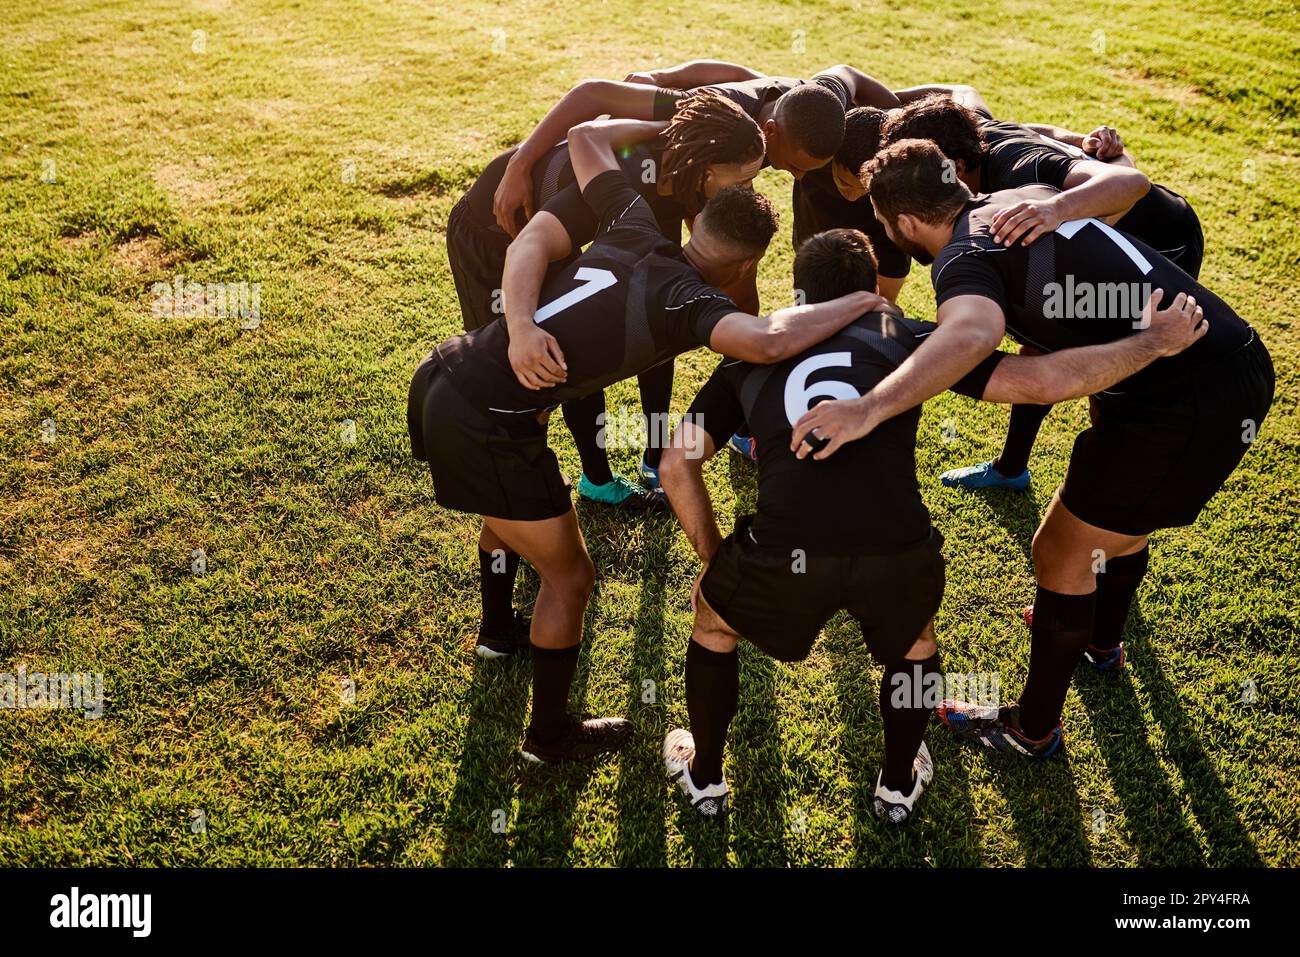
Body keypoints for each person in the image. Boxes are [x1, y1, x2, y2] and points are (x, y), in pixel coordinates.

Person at [657, 227, 1211, 819]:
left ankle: (707, 778)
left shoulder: (755, 350)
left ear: (800, 292)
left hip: (784, 546)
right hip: (895, 544)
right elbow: (1041, 381)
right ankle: (896, 786)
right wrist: (1151, 342)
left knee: (714, 624)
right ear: (873, 288)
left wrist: (715, 557)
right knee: (915, 644)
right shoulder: (914, 338)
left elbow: (674, 463)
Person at [408, 117, 895, 755]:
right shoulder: (690, 302)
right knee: (571, 579)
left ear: (696, 222)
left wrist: (675, 121)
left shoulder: (633, 216)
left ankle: (499, 629)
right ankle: (548, 735)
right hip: (482, 419)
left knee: (511, 507)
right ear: (746, 259)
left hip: (445, 374)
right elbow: (766, 339)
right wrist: (863, 303)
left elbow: (585, 138)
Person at [788, 140, 1273, 755]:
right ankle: (1099, 640)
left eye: (883, 223)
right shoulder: (1022, 199)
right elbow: (1117, 200)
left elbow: (989, 346)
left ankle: (1032, 729)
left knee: (1059, 556)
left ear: (905, 222)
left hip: (1187, 398)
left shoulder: (962, 259)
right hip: (1220, 368)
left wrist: (868, 406)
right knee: (1114, 523)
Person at [445, 92, 766, 658]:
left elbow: (653, 322)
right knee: (523, 389)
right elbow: (585, 123)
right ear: (704, 167)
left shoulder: (673, 194)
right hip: (499, 240)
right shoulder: (630, 170)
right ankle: (563, 500)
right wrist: (520, 324)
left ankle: (509, 590)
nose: (742, 191)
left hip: (547, 256)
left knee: (549, 376)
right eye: (739, 180)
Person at [881, 91, 1207, 490]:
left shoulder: (1019, 178)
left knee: (1107, 366)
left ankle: (1107, 474)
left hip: (1161, 242)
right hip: (1107, 235)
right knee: (1041, 332)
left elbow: (1130, 184)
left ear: (957, 166)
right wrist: (1079, 140)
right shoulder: (972, 131)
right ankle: (1012, 468)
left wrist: (1057, 208)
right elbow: (1004, 111)